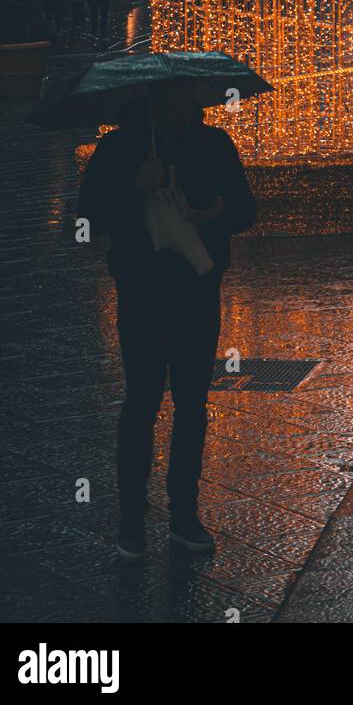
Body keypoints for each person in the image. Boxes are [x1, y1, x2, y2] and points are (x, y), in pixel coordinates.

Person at [77, 81, 258, 561]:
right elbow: (86, 218)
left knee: (193, 403)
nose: (179, 113)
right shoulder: (120, 147)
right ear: (151, 105)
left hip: (197, 291)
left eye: (185, 105)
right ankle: (131, 519)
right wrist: (132, 188)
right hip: (141, 290)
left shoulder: (214, 144)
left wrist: (216, 214)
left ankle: (184, 514)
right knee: (140, 402)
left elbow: (245, 209)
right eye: (168, 105)